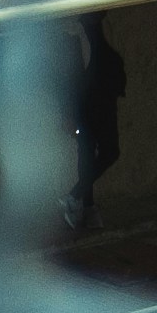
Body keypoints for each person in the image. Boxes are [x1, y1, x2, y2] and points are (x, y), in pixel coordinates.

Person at [61, 16, 126, 232]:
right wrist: (69, 115)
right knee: (87, 152)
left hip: (104, 103)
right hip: (84, 109)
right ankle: (86, 206)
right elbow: (67, 80)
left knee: (109, 152)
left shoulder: (98, 29)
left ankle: (77, 197)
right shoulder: (71, 38)